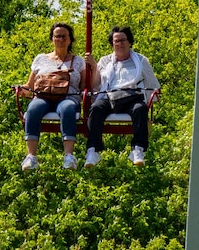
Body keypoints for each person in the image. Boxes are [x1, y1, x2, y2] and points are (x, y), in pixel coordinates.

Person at [84, 25, 160, 167]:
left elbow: (153, 84)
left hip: (131, 96)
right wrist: (94, 66)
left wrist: (151, 104)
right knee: (96, 108)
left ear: (129, 42)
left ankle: (138, 149)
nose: (120, 44)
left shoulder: (141, 61)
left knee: (140, 109)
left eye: (123, 40)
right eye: (116, 41)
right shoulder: (105, 61)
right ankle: (93, 150)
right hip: (109, 96)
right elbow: (96, 85)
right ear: (112, 44)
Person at [22, 22, 92, 172]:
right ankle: (31, 156)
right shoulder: (41, 59)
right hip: (43, 96)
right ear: (52, 39)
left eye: (64, 37)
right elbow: (30, 85)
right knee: (33, 108)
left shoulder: (78, 61)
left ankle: (68, 155)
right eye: (57, 36)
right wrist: (23, 91)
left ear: (70, 40)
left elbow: (84, 85)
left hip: (68, 97)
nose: (60, 39)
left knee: (67, 109)